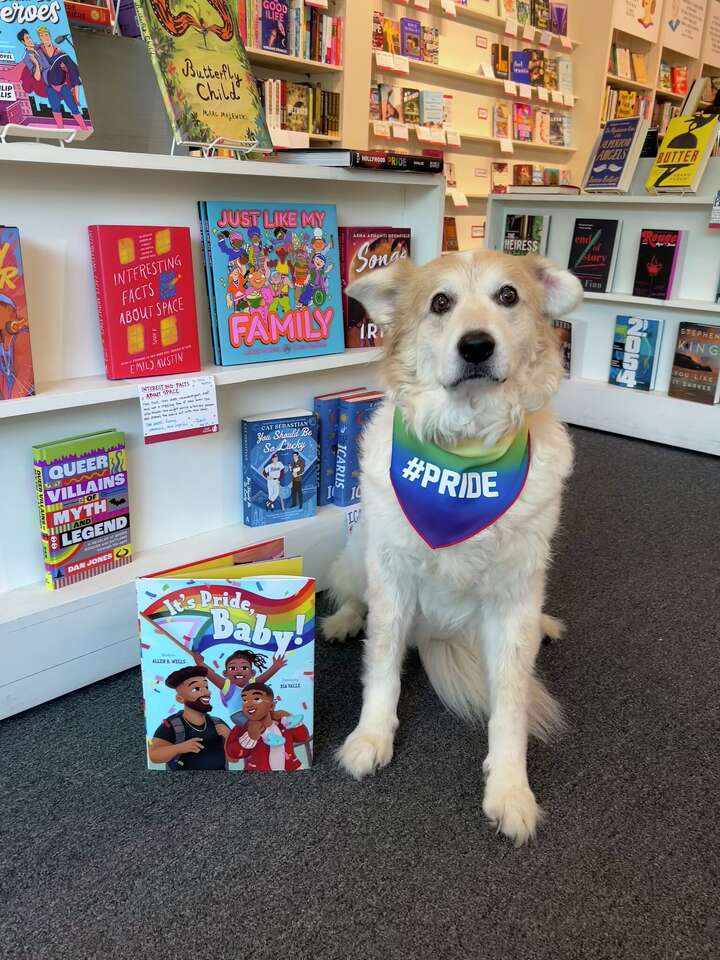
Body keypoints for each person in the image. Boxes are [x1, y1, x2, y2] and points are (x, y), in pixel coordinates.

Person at [147, 666, 230, 771]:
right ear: (180, 698)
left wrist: (229, 736)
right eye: (196, 689)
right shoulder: (171, 725)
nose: (207, 693)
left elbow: (234, 758)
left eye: (206, 687)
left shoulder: (217, 722)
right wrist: (179, 748)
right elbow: (154, 756)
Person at [188, 647, 287, 727]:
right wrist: (200, 663)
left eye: (244, 668)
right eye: (232, 668)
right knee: (254, 725)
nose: (239, 671)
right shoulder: (227, 686)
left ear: (252, 673)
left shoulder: (252, 683)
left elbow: (265, 676)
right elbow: (211, 675)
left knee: (274, 713)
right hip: (239, 714)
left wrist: (275, 666)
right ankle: (268, 737)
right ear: (225, 674)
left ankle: (289, 722)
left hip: (254, 711)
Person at [225, 683, 310, 772]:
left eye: (257, 699)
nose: (248, 704)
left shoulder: (283, 722)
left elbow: (303, 737)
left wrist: (290, 717)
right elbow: (234, 753)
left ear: (271, 706)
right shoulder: (240, 729)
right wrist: (250, 737)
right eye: (244, 700)